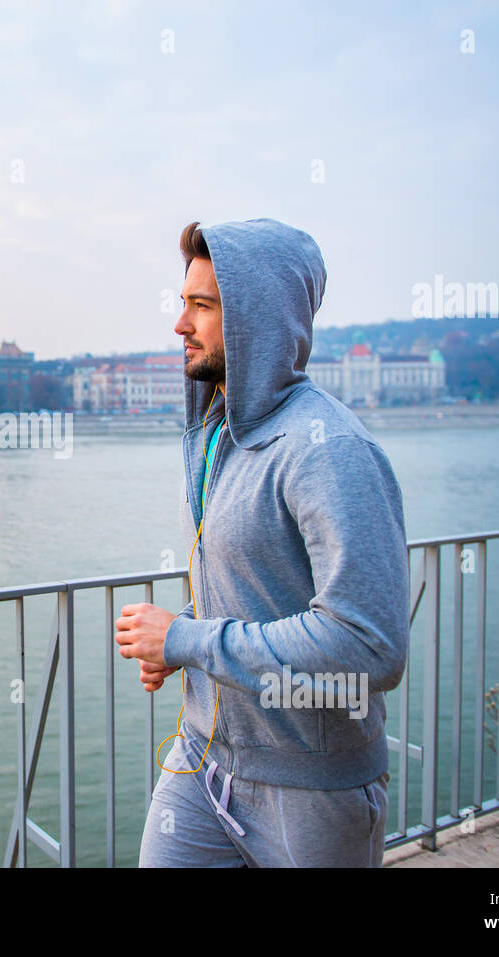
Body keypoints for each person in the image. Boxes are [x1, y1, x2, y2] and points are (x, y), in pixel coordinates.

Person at [114, 218, 409, 867]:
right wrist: (181, 637)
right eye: (183, 302)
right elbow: (262, 589)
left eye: (202, 306)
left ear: (258, 319)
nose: (180, 325)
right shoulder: (217, 435)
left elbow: (370, 646)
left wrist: (187, 640)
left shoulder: (330, 451)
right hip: (201, 761)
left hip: (310, 790)